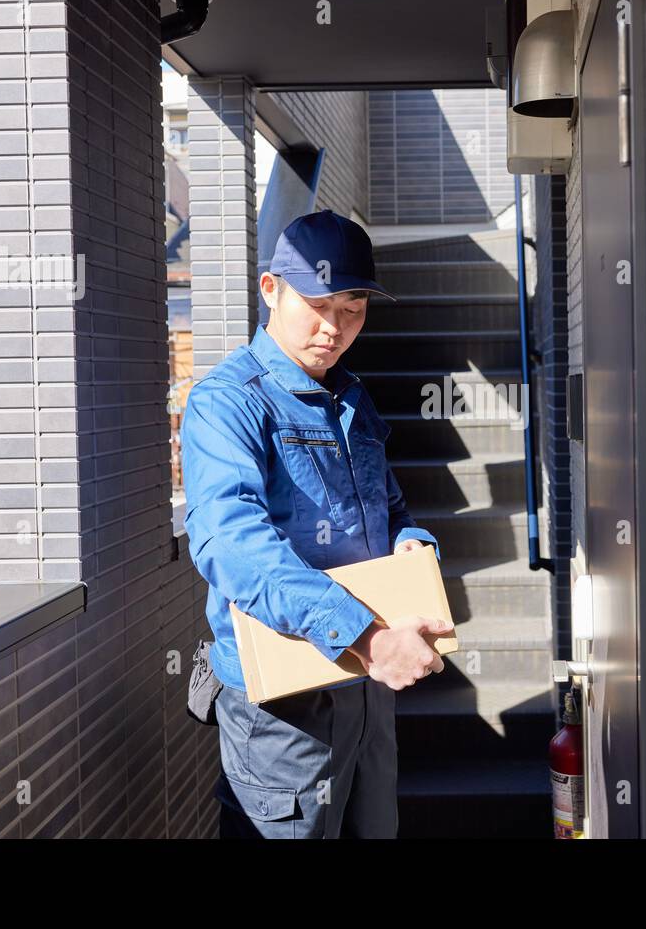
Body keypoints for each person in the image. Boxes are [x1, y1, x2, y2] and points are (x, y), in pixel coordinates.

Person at [180, 209, 452, 838]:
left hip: (365, 688)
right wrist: (366, 636)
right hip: (284, 707)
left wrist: (413, 547)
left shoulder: (350, 395)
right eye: (318, 305)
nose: (334, 328)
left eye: (352, 310)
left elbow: (392, 512)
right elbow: (231, 543)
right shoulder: (229, 401)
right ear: (270, 290)